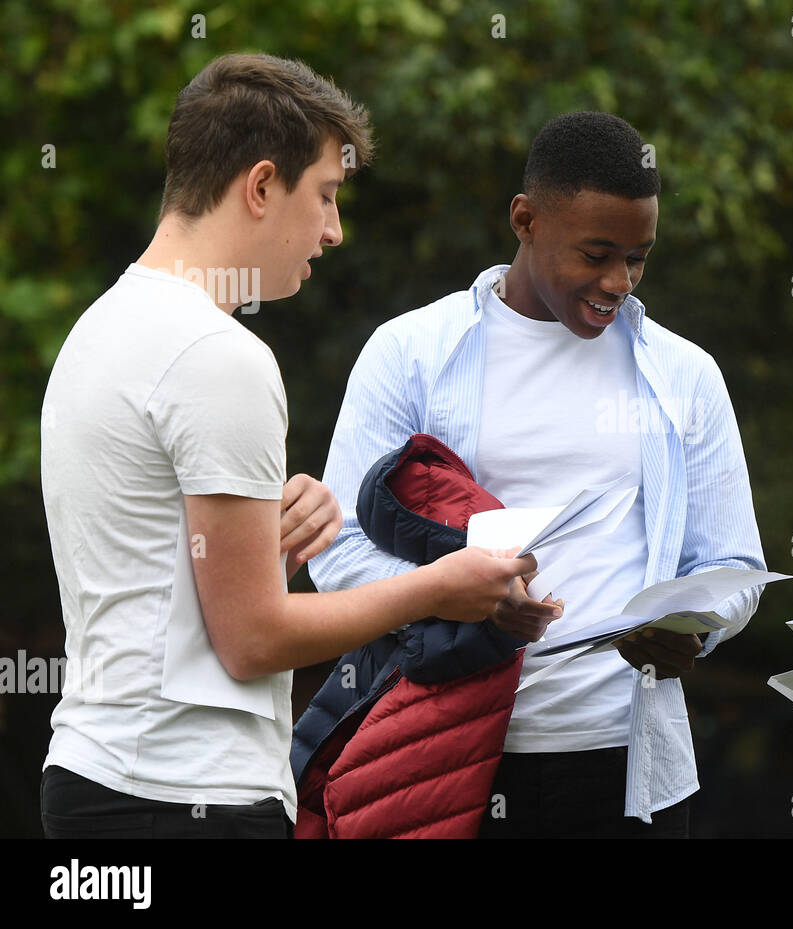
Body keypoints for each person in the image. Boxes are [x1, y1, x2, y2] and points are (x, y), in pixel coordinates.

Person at [38, 53, 533, 839]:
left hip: (93, 778)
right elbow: (253, 640)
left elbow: (156, 591)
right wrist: (438, 586)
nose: (334, 231)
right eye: (327, 196)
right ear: (262, 186)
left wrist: (267, 555)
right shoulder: (217, 354)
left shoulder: (98, 329)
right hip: (190, 796)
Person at [309, 110, 765, 837]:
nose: (618, 280)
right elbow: (337, 548)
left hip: (629, 767)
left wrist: (695, 631)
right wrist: (455, 598)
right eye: (596, 253)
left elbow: (733, 562)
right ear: (525, 219)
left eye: (639, 257)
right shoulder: (411, 354)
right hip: (450, 755)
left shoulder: (687, 375)